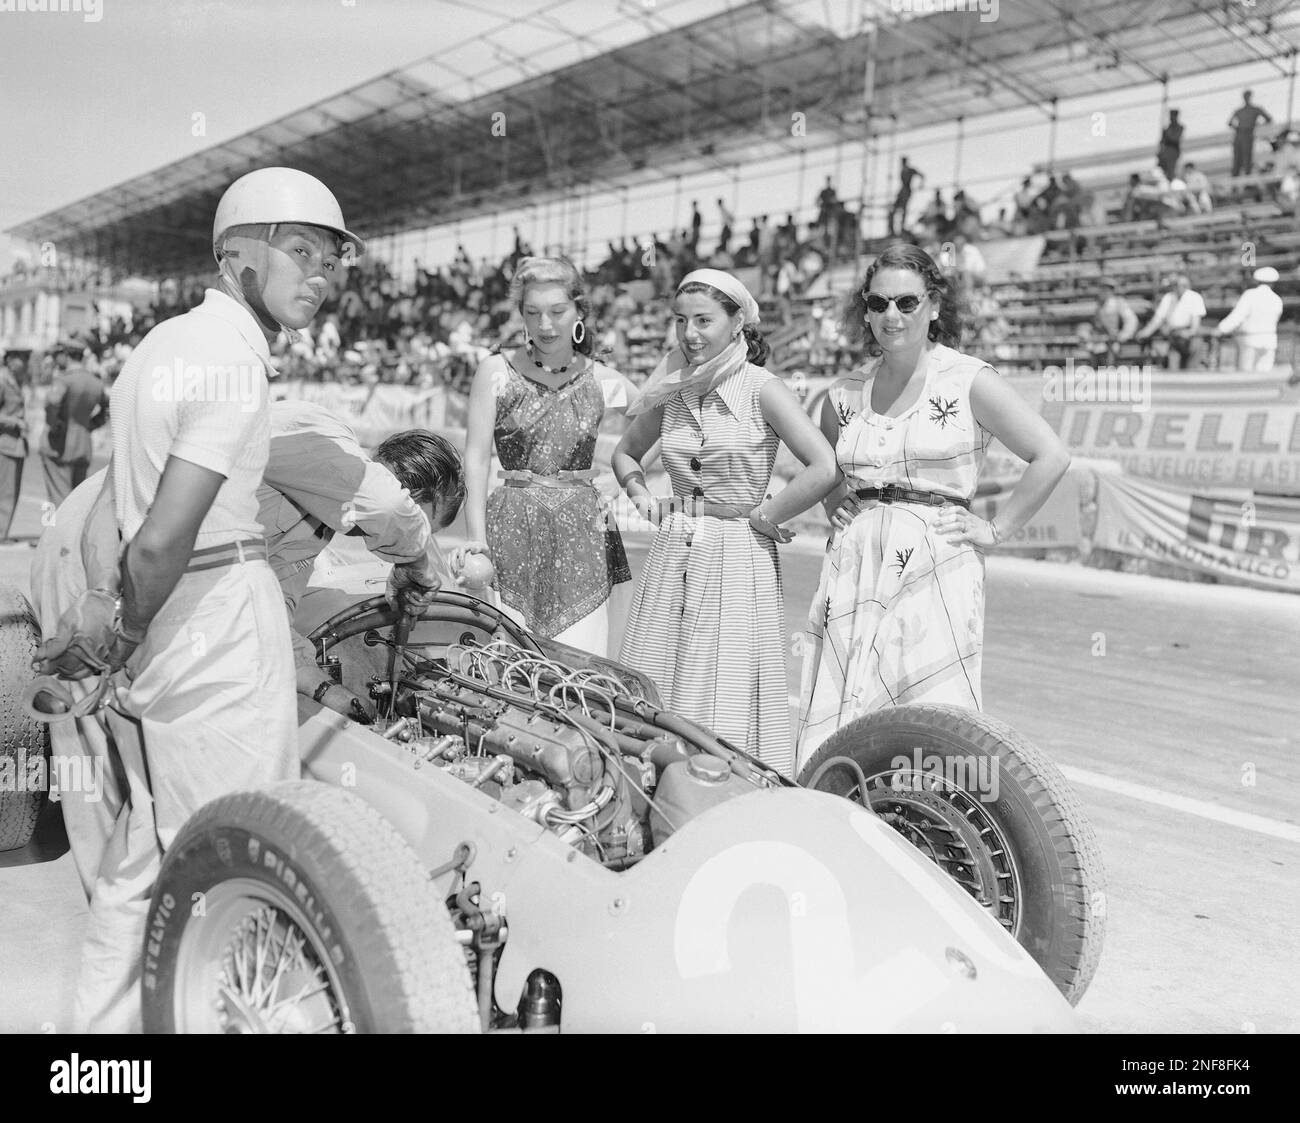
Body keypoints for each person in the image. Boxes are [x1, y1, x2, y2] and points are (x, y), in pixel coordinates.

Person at [29, 167, 393, 1034]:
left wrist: (109, 618)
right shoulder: (232, 360)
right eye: (300, 250)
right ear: (236, 257)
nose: (321, 274)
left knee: (138, 864)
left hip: (163, 622)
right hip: (213, 615)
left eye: (332, 260)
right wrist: (120, 629)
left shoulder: (162, 344)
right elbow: (160, 535)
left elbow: (113, 519)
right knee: (238, 862)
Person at [32, 410, 461, 902]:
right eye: (430, 522)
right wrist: (419, 557)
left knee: (147, 758)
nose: (414, 541)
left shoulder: (321, 528)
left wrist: (331, 693)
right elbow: (384, 502)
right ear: (416, 497)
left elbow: (272, 613)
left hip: (152, 572)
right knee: (94, 750)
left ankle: (155, 914)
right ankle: (124, 929)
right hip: (95, 548)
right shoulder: (326, 439)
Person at [795, 244, 1070, 767]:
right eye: (878, 304)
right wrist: (837, 503)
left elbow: (1051, 455)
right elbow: (828, 467)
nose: (891, 316)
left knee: (926, 710)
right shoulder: (843, 393)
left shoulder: (967, 379)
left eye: (907, 302)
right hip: (855, 569)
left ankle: (924, 832)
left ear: (935, 306)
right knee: (842, 706)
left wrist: (997, 529)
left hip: (935, 563)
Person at [613, 270, 839, 777]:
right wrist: (641, 495)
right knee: (658, 678)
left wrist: (765, 515)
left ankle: (718, 788)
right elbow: (626, 454)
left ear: (738, 323)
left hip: (737, 555)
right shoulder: (673, 390)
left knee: (721, 684)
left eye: (704, 320)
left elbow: (824, 467)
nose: (690, 333)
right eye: (680, 321)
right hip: (674, 551)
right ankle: (655, 784)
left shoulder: (763, 389)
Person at [463, 256, 634, 656]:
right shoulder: (494, 373)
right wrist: (475, 541)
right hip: (510, 529)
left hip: (586, 534)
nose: (545, 325)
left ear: (579, 311)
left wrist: (625, 477)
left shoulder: (604, 379)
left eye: (557, 311)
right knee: (508, 659)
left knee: (580, 662)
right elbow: (476, 459)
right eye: (533, 312)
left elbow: (655, 422)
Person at [39, 338, 109, 506]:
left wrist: (53, 424)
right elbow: (108, 410)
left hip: (58, 446)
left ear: (67, 355)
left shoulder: (65, 380)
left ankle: (52, 530)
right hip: (82, 446)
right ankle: (73, 532)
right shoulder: (96, 382)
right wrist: (91, 425)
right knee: (76, 500)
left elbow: (52, 402)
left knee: (55, 498)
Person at [1216, 266, 1284, 372]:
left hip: (1249, 341)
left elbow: (1237, 316)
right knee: (1264, 377)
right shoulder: (1277, 299)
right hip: (1269, 340)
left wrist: (1220, 329)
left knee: (1246, 375)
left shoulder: (1250, 295)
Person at [1137, 273, 1206, 370]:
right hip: (1174, 337)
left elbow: (1195, 324)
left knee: (1191, 371)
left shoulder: (1194, 297)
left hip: (1191, 339)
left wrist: (1190, 332)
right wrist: (1146, 332)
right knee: (1173, 371)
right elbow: (1158, 319)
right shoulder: (1168, 297)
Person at [0, 349, 27, 543]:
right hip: (5, 442)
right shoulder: (2, 380)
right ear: (9, 360)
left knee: (12, 490)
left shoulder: (16, 380)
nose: (24, 363)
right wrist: (14, 422)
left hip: (15, 443)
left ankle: (3, 531)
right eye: (20, 358)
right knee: (7, 491)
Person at [1089, 279, 1139, 364]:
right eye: (1102, 289)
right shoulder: (1099, 306)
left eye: (1106, 289)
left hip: (1114, 342)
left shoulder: (1119, 303)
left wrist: (1124, 335)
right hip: (1100, 342)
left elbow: (1131, 320)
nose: (1103, 292)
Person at [1229, 90, 1273, 178]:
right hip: (1239, 135)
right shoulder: (1239, 110)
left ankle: (1247, 182)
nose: (1246, 98)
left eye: (1247, 96)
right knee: (1237, 159)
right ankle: (1235, 182)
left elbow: (1269, 119)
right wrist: (1238, 129)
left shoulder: (1255, 109)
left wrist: (1257, 124)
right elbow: (1230, 123)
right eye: (1245, 96)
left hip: (1248, 135)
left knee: (1247, 159)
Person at [1157, 109, 1184, 180]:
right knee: (1163, 171)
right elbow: (1162, 141)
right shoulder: (1167, 128)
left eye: (1173, 116)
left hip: (1173, 153)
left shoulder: (1180, 127)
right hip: (1164, 153)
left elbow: (1175, 139)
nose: (1171, 118)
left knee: (1171, 171)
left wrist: (1166, 131)